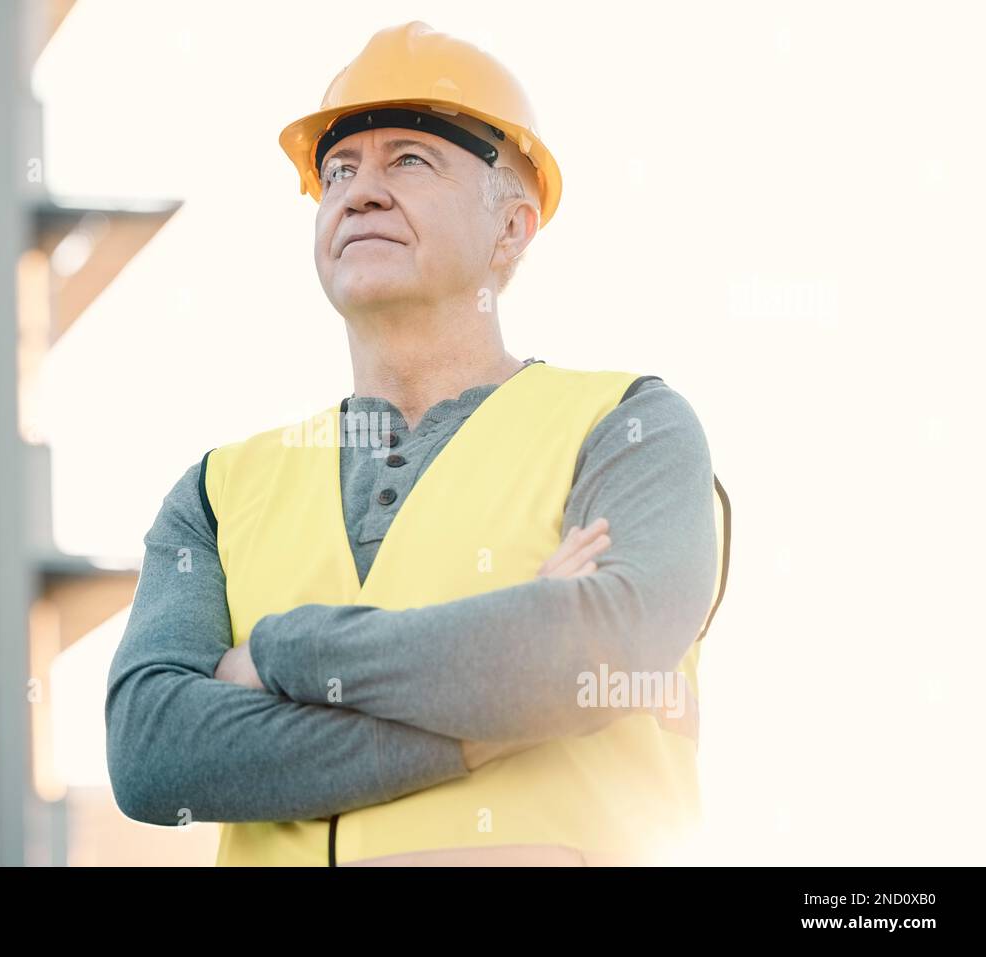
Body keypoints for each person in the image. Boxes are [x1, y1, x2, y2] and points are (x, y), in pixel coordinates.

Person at [105, 21, 730, 866]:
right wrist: (476, 728)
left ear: (511, 228)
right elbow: (153, 753)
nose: (360, 192)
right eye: (338, 171)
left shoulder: (626, 425)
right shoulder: (218, 491)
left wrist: (282, 651)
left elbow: (601, 647)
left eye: (408, 159)